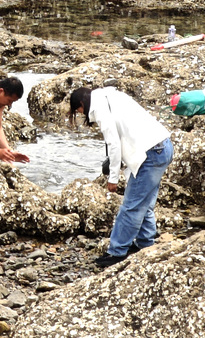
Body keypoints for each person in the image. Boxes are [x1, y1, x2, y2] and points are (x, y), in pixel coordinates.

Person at [68, 86, 173, 268]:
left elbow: (114, 144)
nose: (80, 114)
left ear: (82, 104)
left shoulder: (99, 109)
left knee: (131, 206)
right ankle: (144, 243)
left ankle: (117, 252)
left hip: (152, 153)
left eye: (78, 110)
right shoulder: (109, 94)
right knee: (144, 201)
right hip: (163, 146)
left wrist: (113, 178)